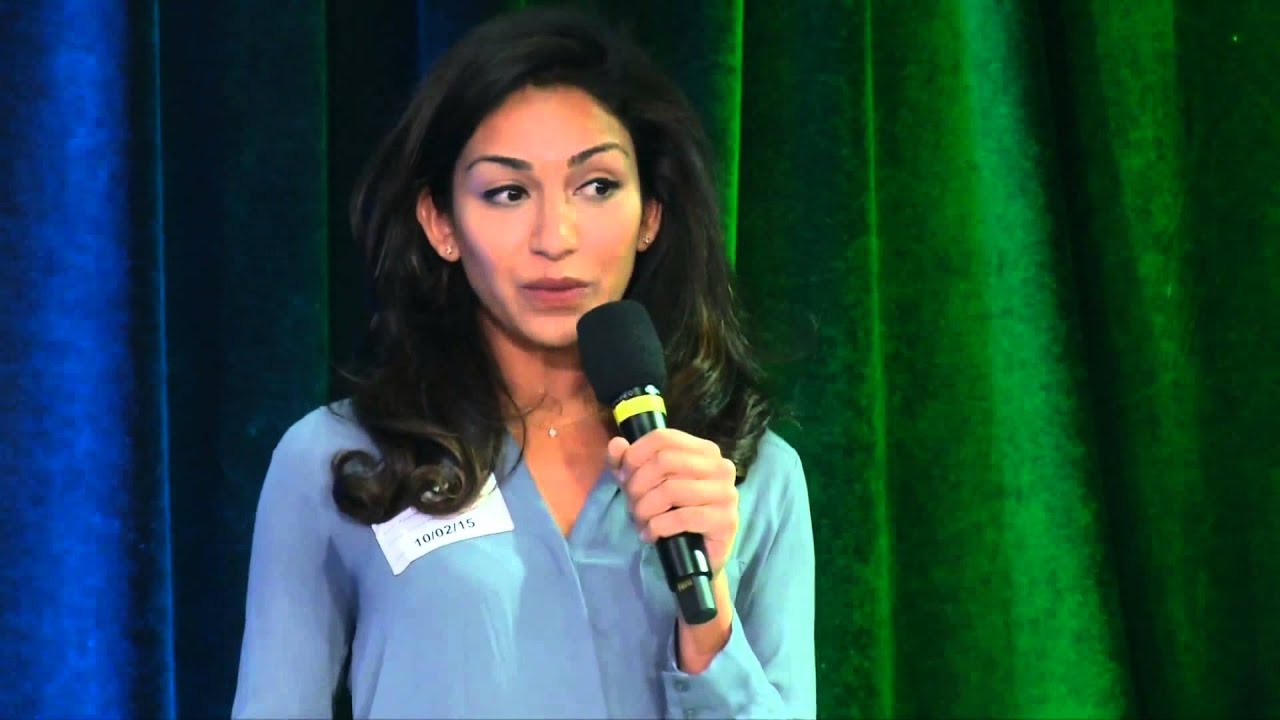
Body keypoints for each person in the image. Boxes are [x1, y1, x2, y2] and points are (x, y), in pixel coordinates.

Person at [231, 5, 815, 719]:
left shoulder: (748, 472)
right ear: (441, 223)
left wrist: (708, 620)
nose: (554, 236)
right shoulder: (339, 460)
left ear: (651, 215)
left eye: (596, 186)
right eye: (508, 193)